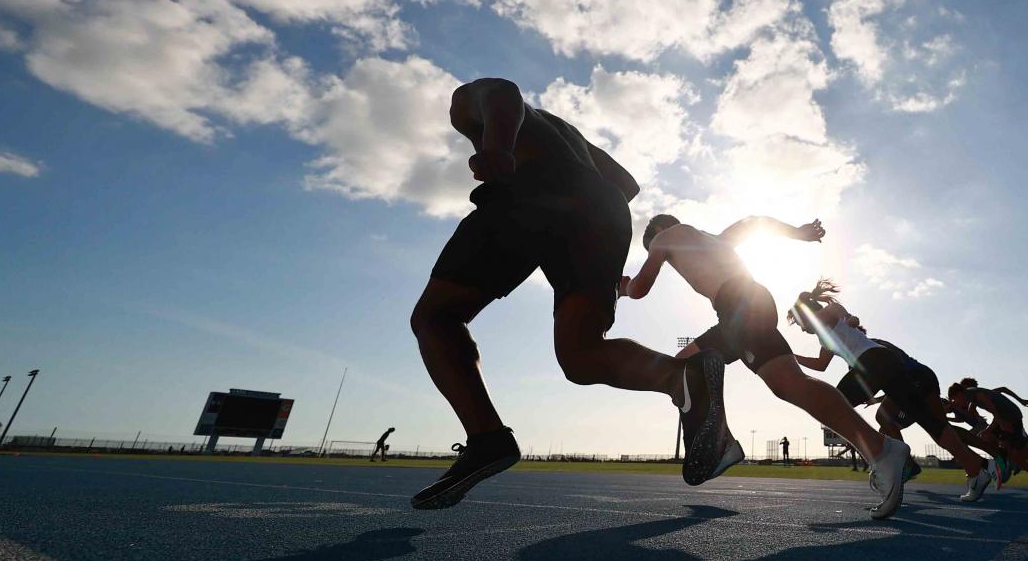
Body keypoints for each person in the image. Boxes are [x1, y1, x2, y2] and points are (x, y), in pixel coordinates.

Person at [408, 78, 730, 509]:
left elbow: (502, 91)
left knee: (437, 317)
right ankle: (680, 377)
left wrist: (499, 151)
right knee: (580, 356)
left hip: (531, 195)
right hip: (604, 211)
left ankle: (487, 438)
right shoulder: (567, 134)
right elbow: (628, 184)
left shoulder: (465, 102)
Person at [623, 215, 910, 518]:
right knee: (789, 384)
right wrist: (798, 233)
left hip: (736, 305)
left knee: (680, 368)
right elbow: (754, 223)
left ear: (656, 232)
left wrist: (623, 288)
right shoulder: (714, 238)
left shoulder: (663, 236)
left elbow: (640, 287)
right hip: (755, 299)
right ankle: (883, 450)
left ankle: (722, 443)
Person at [788, 280, 998, 503]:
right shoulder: (824, 337)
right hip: (885, 364)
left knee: (830, 407)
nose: (802, 329)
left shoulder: (826, 315)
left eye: (800, 323)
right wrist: (790, 357)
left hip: (872, 362)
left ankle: (885, 458)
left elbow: (842, 313)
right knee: (929, 421)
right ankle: (976, 469)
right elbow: (820, 365)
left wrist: (849, 318)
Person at [946, 378, 1028, 491]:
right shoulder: (973, 400)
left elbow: (994, 407)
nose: (956, 402)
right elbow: (970, 414)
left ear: (962, 391)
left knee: (1025, 454)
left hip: (1010, 420)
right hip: (1008, 419)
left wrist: (998, 423)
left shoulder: (976, 394)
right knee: (1019, 455)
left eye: (955, 399)